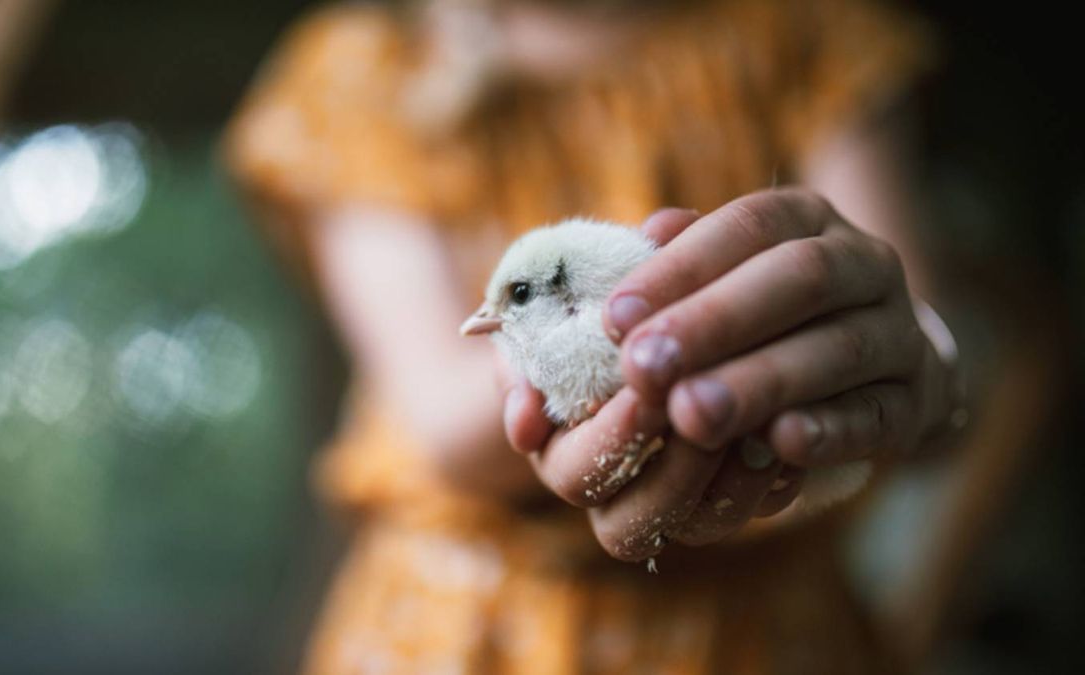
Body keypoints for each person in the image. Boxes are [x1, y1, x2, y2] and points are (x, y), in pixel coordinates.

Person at [225, 0, 961, 671]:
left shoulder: (805, 29)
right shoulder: (368, 69)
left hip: (764, 632)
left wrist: (914, 365)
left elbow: (929, 355)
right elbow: (446, 416)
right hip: (474, 632)